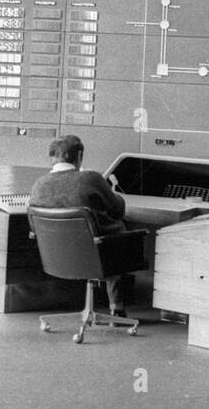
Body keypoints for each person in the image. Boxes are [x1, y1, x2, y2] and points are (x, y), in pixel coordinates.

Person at [28, 135, 132, 316]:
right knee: (118, 234)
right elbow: (118, 210)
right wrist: (112, 193)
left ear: (52, 158)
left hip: (57, 259)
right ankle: (116, 308)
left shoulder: (38, 185)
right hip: (97, 255)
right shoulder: (91, 179)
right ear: (79, 155)